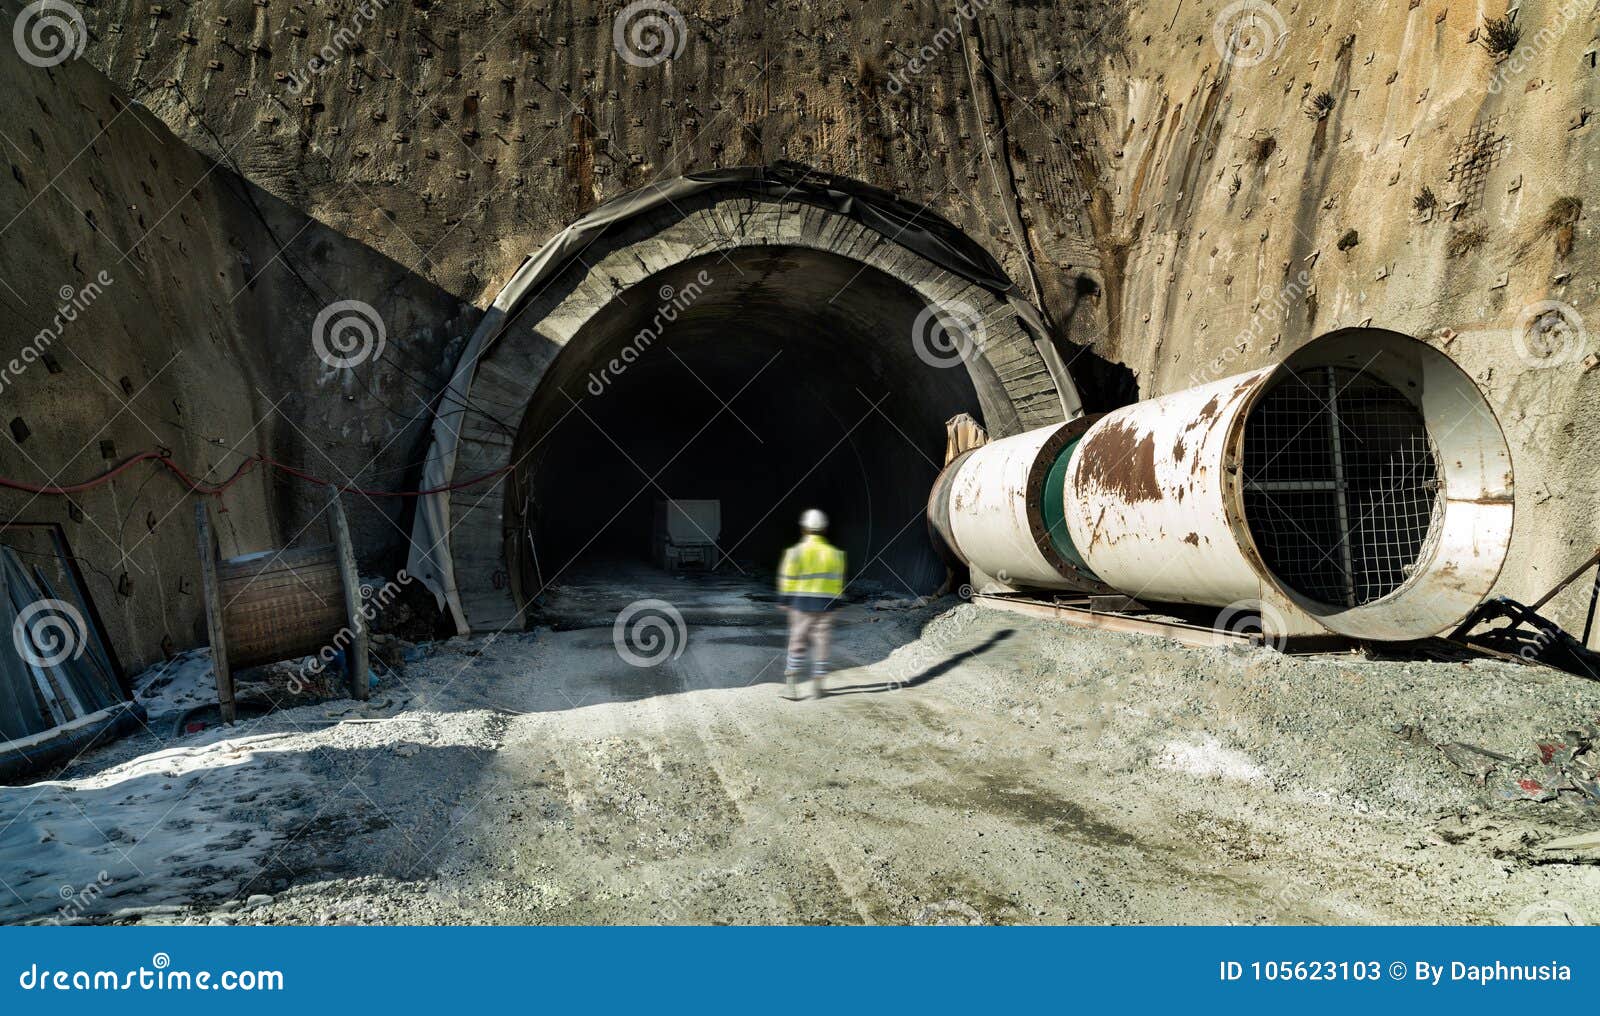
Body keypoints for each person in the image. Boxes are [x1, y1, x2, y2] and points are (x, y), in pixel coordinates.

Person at [777, 509, 846, 700]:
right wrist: (837, 602)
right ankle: (818, 686)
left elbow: (788, 579)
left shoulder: (795, 553)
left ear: (803, 529)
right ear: (824, 530)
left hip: (801, 603)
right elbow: (838, 582)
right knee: (821, 643)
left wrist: (784, 601)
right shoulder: (835, 554)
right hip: (827, 604)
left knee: (797, 642)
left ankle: (791, 687)